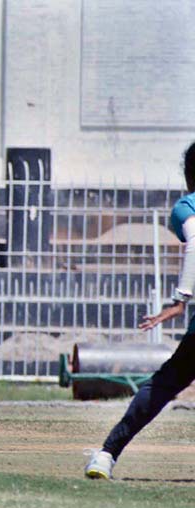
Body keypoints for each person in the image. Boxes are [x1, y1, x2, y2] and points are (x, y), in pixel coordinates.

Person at [85, 141, 195, 479]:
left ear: (189, 175)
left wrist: (181, 299)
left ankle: (106, 455)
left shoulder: (187, 206)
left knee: (163, 385)